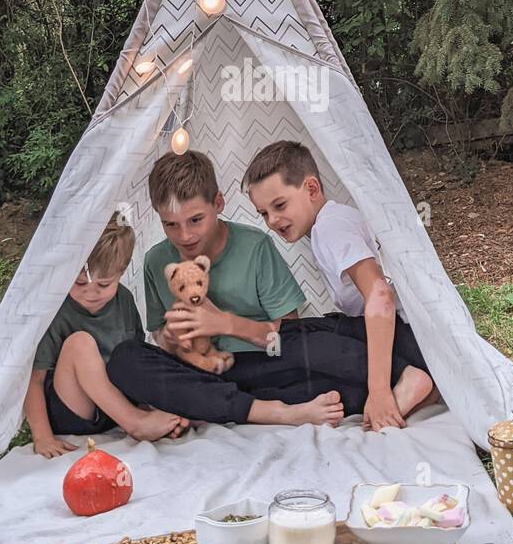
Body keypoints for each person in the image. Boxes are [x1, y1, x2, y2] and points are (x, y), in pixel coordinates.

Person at [105, 150, 385, 425]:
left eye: (195, 220)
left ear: (218, 203)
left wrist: (225, 323)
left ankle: (226, 407)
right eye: (171, 225)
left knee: (326, 351)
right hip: (200, 372)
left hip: (262, 365)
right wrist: (171, 339)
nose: (185, 236)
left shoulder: (255, 245)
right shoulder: (156, 261)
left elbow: (289, 338)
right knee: (125, 359)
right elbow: (160, 338)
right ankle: (271, 411)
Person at [243, 140, 437, 431]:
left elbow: (380, 295)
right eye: (263, 213)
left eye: (279, 205)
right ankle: (414, 389)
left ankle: (401, 382)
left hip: (408, 336)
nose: (272, 220)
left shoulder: (330, 226)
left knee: (293, 336)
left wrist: (379, 390)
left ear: (311, 189)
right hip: (416, 342)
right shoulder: (333, 222)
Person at [23, 214, 189, 458]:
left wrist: (152, 407)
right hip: (75, 411)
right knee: (80, 343)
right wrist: (43, 437)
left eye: (103, 285)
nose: (91, 293)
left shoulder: (124, 300)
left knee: (135, 356)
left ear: (121, 273)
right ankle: (135, 423)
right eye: (79, 283)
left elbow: (135, 361)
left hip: (113, 410)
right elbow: (34, 380)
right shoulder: (56, 310)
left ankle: (147, 416)